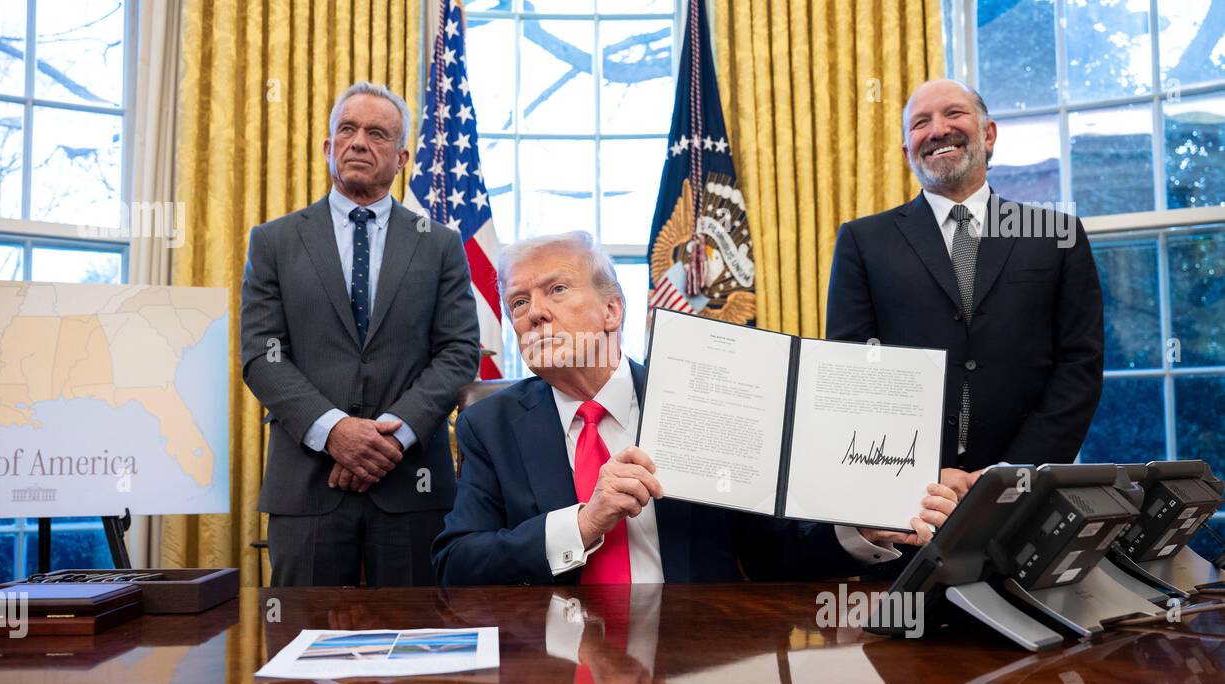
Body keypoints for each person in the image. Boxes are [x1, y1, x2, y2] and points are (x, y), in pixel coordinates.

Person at [432, 232, 957, 585]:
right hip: (558, 677)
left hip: (695, 671)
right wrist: (585, 524)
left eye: (557, 290)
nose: (535, 315)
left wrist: (860, 530)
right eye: (518, 303)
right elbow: (457, 562)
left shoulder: (703, 398)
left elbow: (774, 553)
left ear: (613, 309)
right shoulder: (490, 423)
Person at [241, 81, 480, 586]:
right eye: (346, 130)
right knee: (300, 648)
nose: (358, 142)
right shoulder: (274, 241)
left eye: (377, 134)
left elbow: (458, 354)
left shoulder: (440, 245)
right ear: (328, 147)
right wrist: (335, 432)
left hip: (412, 483)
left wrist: (391, 435)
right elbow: (263, 356)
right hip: (307, 483)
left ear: (401, 157)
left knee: (420, 649)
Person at [826, 79, 1104, 501]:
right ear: (907, 152)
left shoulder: (1056, 232)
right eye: (921, 122)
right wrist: (915, 473)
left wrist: (1012, 474)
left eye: (953, 114)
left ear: (988, 133)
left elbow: (1079, 365)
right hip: (909, 501)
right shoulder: (863, 242)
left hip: (1028, 500)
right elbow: (854, 373)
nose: (937, 129)